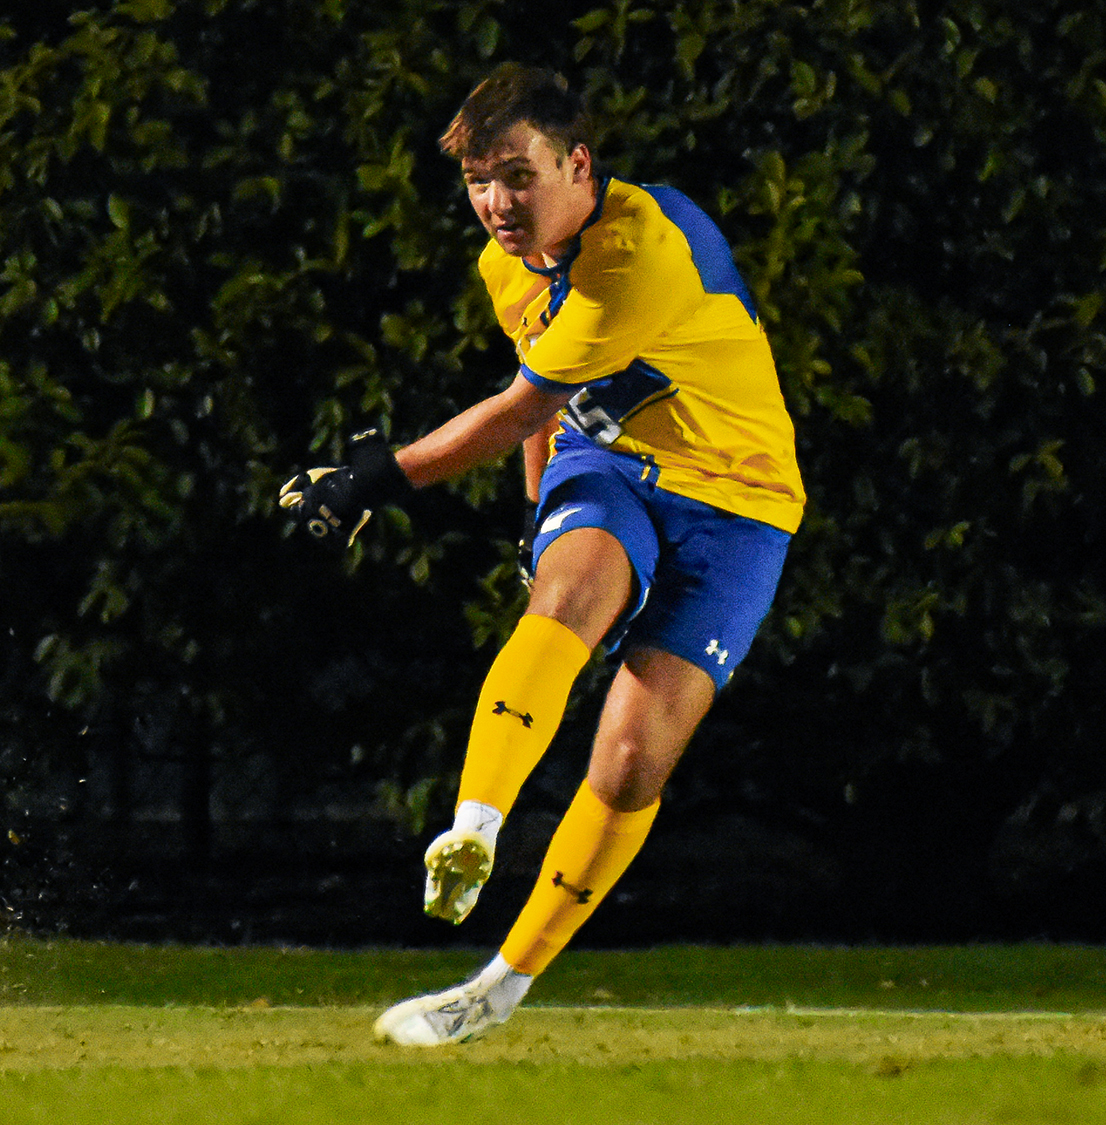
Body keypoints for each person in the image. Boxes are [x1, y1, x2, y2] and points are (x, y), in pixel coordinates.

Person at [278, 62, 806, 1046]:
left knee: (630, 762)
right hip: (612, 467)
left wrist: (372, 478)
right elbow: (548, 405)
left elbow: (520, 403)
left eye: (514, 176)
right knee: (565, 600)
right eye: (477, 180)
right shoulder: (506, 269)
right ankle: (473, 828)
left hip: (742, 504)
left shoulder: (641, 248)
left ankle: (499, 986)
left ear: (576, 164)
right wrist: (537, 523)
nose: (494, 204)